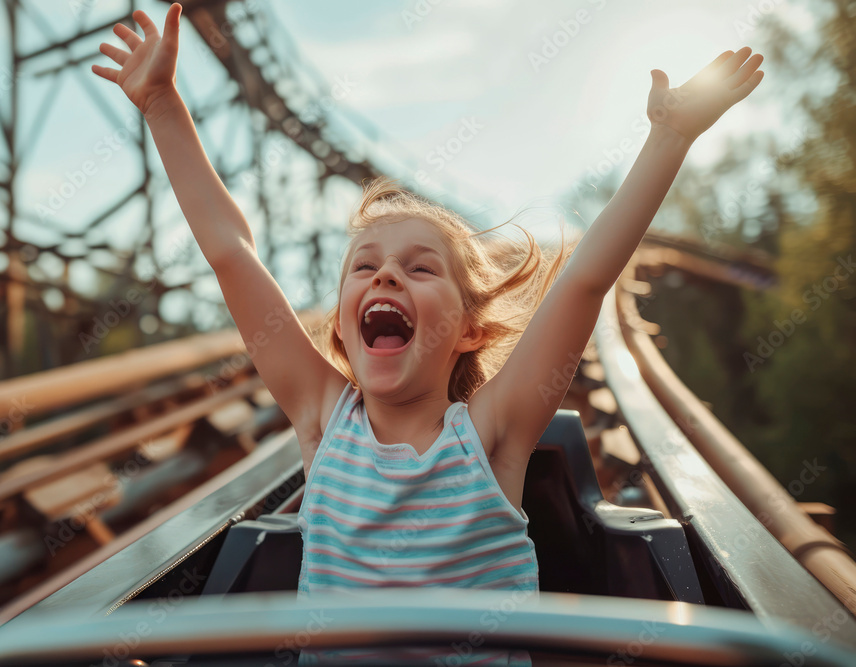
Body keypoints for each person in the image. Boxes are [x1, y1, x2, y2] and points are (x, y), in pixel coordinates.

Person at [93, 4, 763, 664]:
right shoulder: (323, 420)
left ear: (469, 329)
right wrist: (160, 106)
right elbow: (233, 253)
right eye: (365, 266)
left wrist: (669, 138)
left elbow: (585, 280)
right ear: (342, 330)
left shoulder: (492, 432)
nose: (385, 276)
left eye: (418, 267)